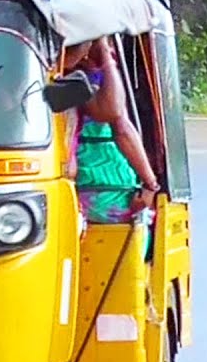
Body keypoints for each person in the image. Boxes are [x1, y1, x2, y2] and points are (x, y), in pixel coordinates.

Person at [63, 37, 161, 226]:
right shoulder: (75, 81)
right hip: (105, 194)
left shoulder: (51, 77)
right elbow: (116, 117)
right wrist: (150, 184)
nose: (112, 48)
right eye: (107, 42)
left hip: (78, 192)